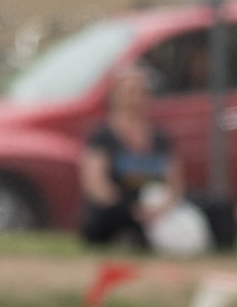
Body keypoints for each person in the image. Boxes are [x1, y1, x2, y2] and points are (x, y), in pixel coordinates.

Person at [78, 69, 186, 250]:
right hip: (119, 208)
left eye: (137, 91)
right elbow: (95, 185)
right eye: (127, 92)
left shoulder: (160, 138)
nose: (132, 98)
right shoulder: (102, 137)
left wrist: (160, 209)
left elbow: (175, 184)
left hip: (155, 206)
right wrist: (130, 209)